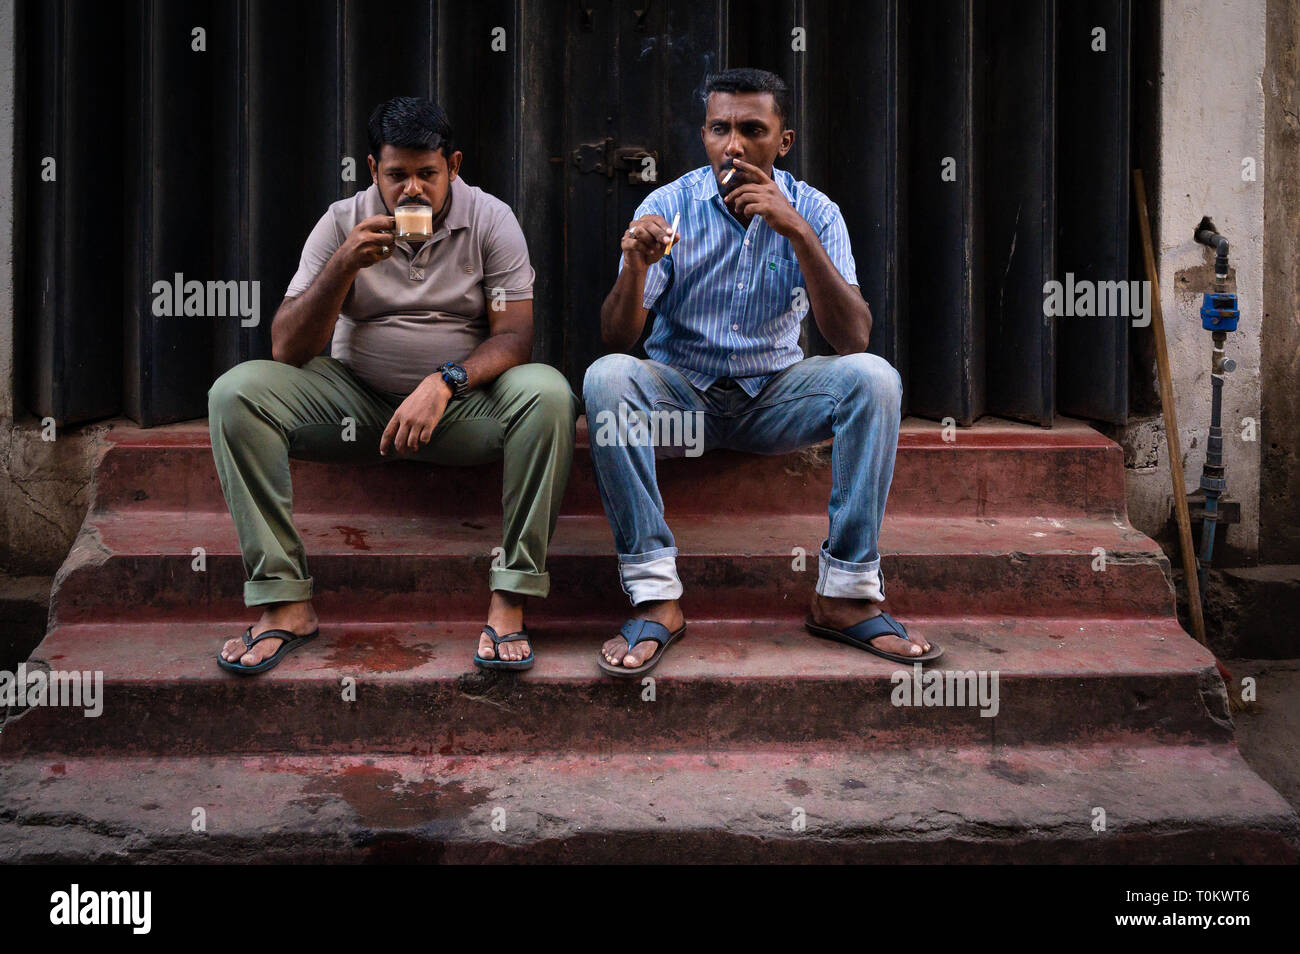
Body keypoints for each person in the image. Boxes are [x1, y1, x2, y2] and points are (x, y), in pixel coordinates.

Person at [584, 68, 940, 677]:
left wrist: (797, 233)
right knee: (605, 377)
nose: (734, 145)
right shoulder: (668, 206)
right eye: (720, 129)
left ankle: (845, 595)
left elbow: (852, 337)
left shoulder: (815, 211)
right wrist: (635, 267)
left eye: (752, 130)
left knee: (875, 378)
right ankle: (656, 597)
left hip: (773, 400)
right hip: (682, 401)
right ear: (703, 134)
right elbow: (618, 336)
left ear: (784, 141)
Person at [209, 96, 577, 675]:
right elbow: (287, 350)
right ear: (371, 170)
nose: (413, 190)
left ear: (452, 166)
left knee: (549, 393)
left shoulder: (490, 219)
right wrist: (344, 265)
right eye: (397, 175)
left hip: (461, 410)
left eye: (427, 174)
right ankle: (284, 602)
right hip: (356, 402)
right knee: (236, 393)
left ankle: (512, 594)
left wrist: (445, 381)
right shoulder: (340, 222)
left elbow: (515, 338)